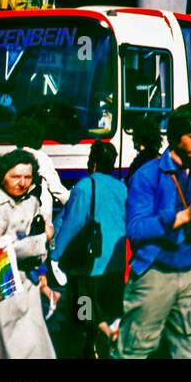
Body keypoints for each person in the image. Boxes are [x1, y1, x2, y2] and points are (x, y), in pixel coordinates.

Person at [116, 103, 191, 359]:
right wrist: (182, 216)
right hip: (154, 273)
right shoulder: (147, 175)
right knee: (135, 349)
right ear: (175, 136)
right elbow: (135, 228)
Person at [51, 141, 127, 358]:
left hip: (90, 263)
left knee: (85, 308)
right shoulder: (122, 187)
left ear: (92, 163)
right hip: (116, 262)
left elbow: (71, 225)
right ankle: (105, 345)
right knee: (108, 309)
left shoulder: (84, 187)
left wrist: (56, 254)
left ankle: (89, 345)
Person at [0, 150, 57, 359]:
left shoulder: (32, 203)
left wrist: (43, 276)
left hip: (29, 283)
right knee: (10, 342)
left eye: (27, 177)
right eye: (15, 177)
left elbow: (37, 246)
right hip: (1, 280)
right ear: (2, 176)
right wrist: (41, 240)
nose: (22, 183)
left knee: (34, 340)